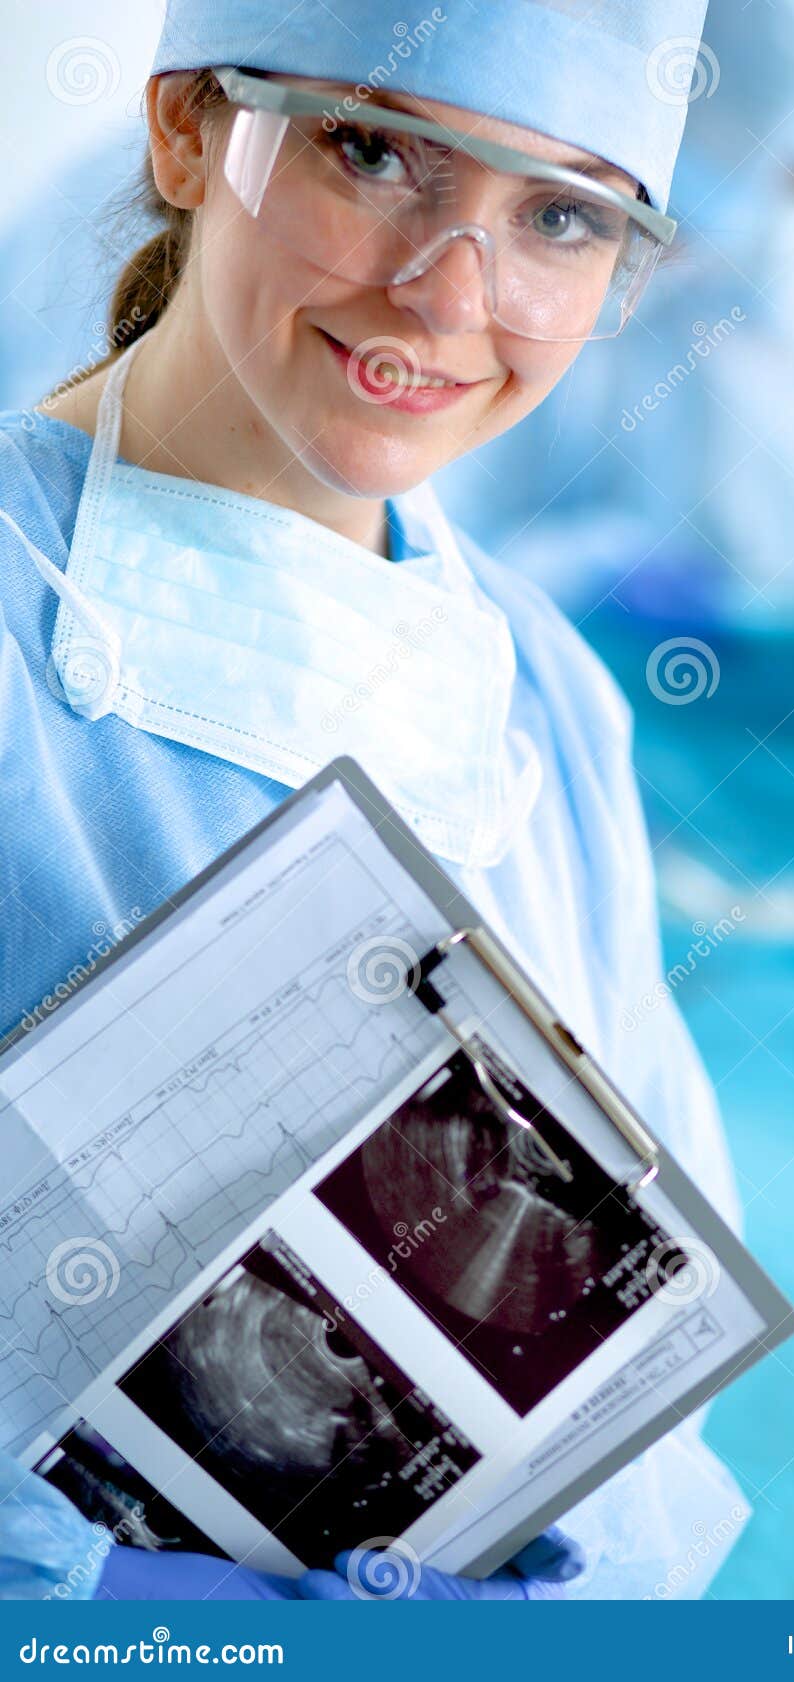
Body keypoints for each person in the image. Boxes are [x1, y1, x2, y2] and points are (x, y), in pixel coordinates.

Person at [0, 0, 745, 1599]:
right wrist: (98, 1600)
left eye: (562, 218)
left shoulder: (545, 704)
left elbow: (654, 1384)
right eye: (375, 151)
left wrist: (558, 1582)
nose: (453, 295)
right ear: (186, 130)